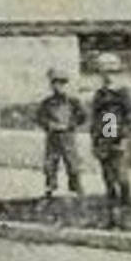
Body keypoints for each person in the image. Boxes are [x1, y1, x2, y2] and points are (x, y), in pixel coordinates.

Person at [90, 52, 131, 227]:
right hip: (104, 142)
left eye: (111, 71)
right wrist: (95, 141)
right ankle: (112, 218)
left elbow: (130, 117)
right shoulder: (99, 95)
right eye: (103, 71)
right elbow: (95, 120)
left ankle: (126, 216)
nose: (107, 75)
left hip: (119, 140)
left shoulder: (122, 93)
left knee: (122, 179)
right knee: (109, 180)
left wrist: (124, 138)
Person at [36, 67, 86, 199]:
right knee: (50, 163)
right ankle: (50, 187)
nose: (57, 87)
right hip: (53, 136)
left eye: (61, 83)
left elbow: (82, 116)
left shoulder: (73, 101)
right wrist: (48, 125)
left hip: (67, 135)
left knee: (72, 162)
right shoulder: (47, 102)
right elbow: (40, 117)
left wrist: (70, 125)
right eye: (55, 83)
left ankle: (76, 187)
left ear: (65, 84)